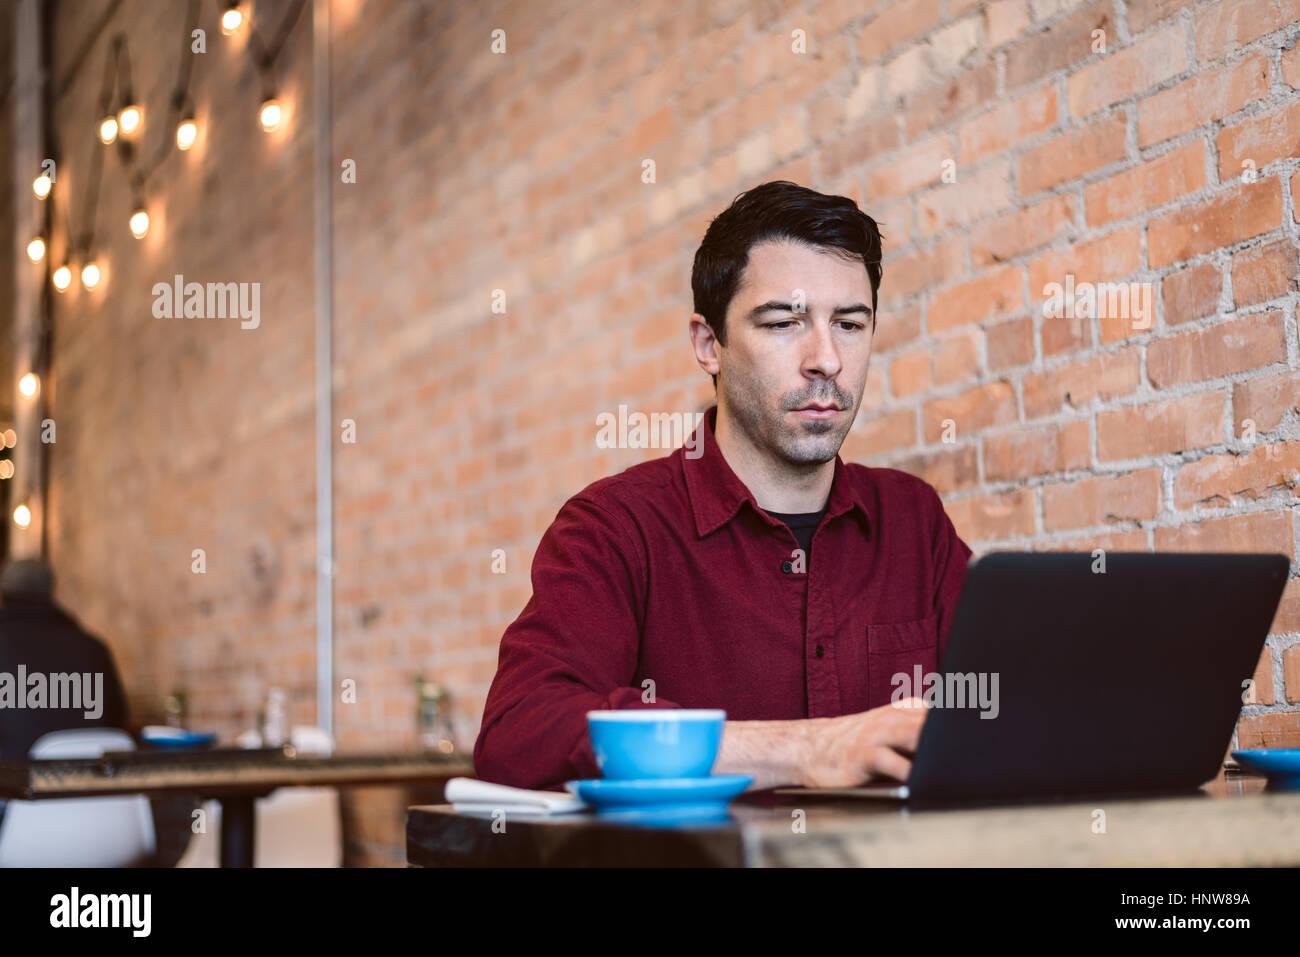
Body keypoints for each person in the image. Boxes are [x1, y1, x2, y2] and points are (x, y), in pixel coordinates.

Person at [474, 181, 974, 791]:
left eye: (849, 323)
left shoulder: (913, 520)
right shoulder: (614, 528)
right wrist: (808, 749)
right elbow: (520, 734)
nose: (827, 359)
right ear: (709, 344)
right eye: (784, 322)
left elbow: (1008, 709)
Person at [0, 558, 130, 762]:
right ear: (51, 593)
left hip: (16, 787)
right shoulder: (94, 647)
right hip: (91, 789)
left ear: (4, 594)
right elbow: (118, 719)